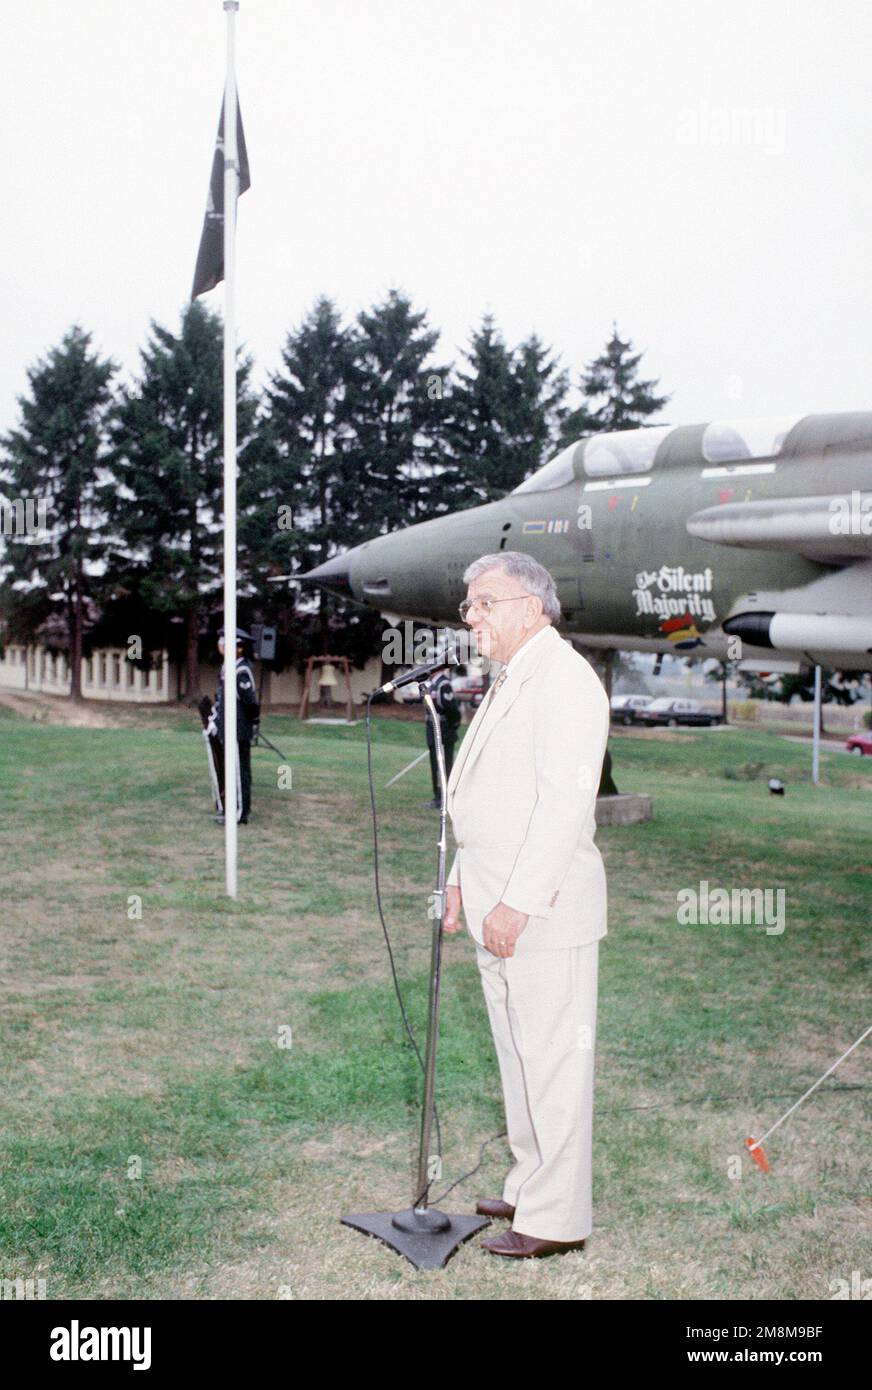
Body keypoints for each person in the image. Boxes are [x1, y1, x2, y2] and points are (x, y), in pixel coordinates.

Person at [443, 551, 610, 1259]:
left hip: (541, 909)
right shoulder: (513, 676)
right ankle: (529, 1182)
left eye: (484, 602)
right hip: (491, 898)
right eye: (469, 604)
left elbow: (563, 808)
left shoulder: (565, 680)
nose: (470, 616)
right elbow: (489, 797)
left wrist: (516, 904)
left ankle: (557, 1219)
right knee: (518, 1055)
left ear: (532, 607)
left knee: (552, 1061)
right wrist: (458, 877)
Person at [209, 627, 259, 825]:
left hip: (238, 730)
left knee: (239, 773)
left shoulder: (241, 671)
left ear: (237, 648)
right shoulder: (228, 667)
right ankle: (232, 808)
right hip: (229, 728)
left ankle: (240, 812)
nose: (221, 646)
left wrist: (251, 725)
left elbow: (249, 702)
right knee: (232, 771)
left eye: (225, 644)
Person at [424, 667, 461, 808]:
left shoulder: (443, 684)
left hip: (443, 728)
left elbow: (451, 709)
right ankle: (438, 796)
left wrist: (453, 726)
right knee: (435, 765)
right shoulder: (432, 683)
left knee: (443, 765)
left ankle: (444, 798)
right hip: (432, 728)